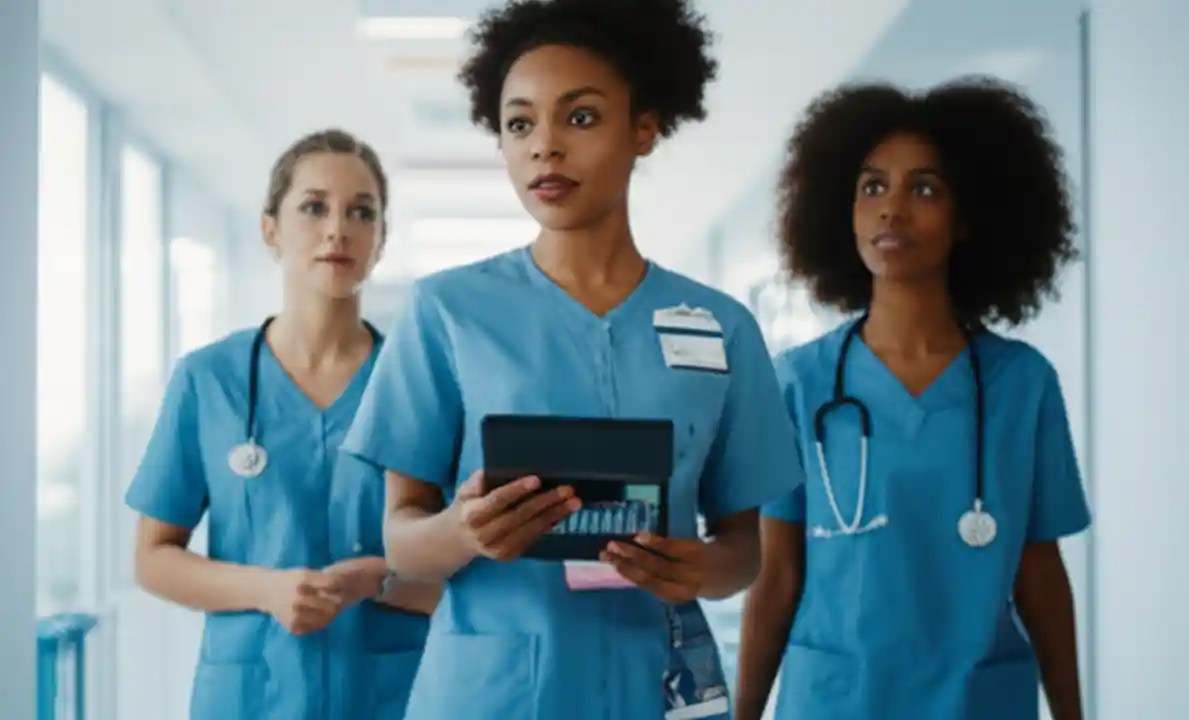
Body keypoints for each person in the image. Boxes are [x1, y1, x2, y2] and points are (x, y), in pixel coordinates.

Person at [339, 1, 805, 718]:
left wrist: (700, 568)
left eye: (580, 117)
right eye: (520, 123)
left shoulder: (722, 326)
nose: (544, 147)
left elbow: (744, 549)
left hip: (653, 682)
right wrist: (461, 531)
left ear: (644, 128)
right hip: (489, 693)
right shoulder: (447, 311)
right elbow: (401, 540)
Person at [734, 78, 1090, 720]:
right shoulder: (798, 383)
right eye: (872, 187)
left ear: (966, 219)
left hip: (976, 700)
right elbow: (777, 574)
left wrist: (1073, 714)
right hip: (835, 701)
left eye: (924, 189)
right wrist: (744, 714)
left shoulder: (1022, 384)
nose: (891, 210)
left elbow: (1040, 574)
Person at [126, 129, 437, 720]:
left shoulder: (419, 387)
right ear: (271, 229)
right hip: (250, 697)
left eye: (361, 212)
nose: (337, 229)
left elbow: (460, 575)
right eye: (314, 206)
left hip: (392, 696)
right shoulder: (207, 380)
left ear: (380, 240)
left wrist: (377, 582)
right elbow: (153, 558)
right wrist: (265, 591)